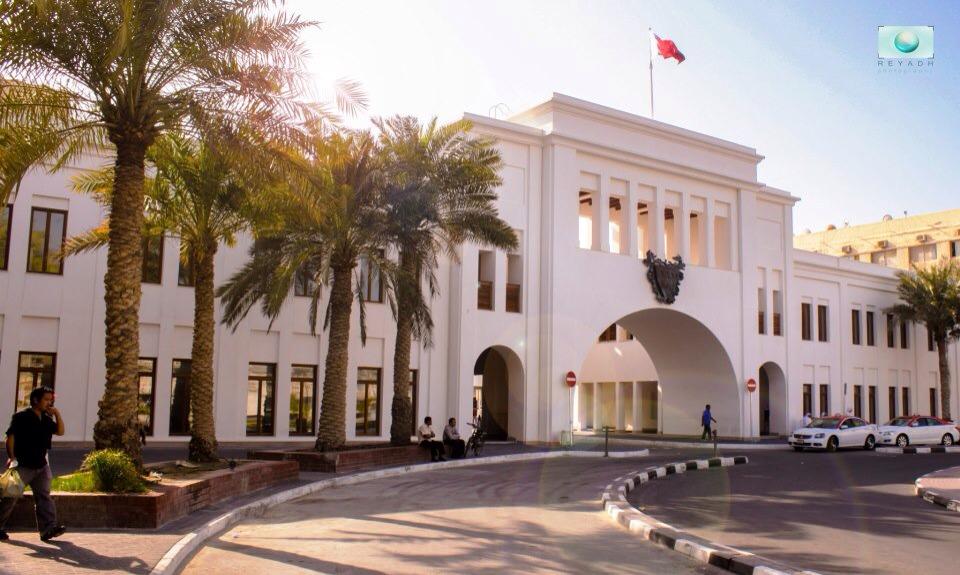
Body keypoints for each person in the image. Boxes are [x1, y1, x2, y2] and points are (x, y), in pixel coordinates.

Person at [0, 386, 66, 542]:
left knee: (44, 497)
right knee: (9, 497)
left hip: (41, 466)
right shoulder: (21, 417)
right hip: (22, 464)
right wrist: (12, 458)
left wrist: (57, 413)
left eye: (51, 400)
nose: (49, 403)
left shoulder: (46, 419)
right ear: (36, 400)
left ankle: (48, 528)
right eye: (46, 400)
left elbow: (60, 431)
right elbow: (10, 438)